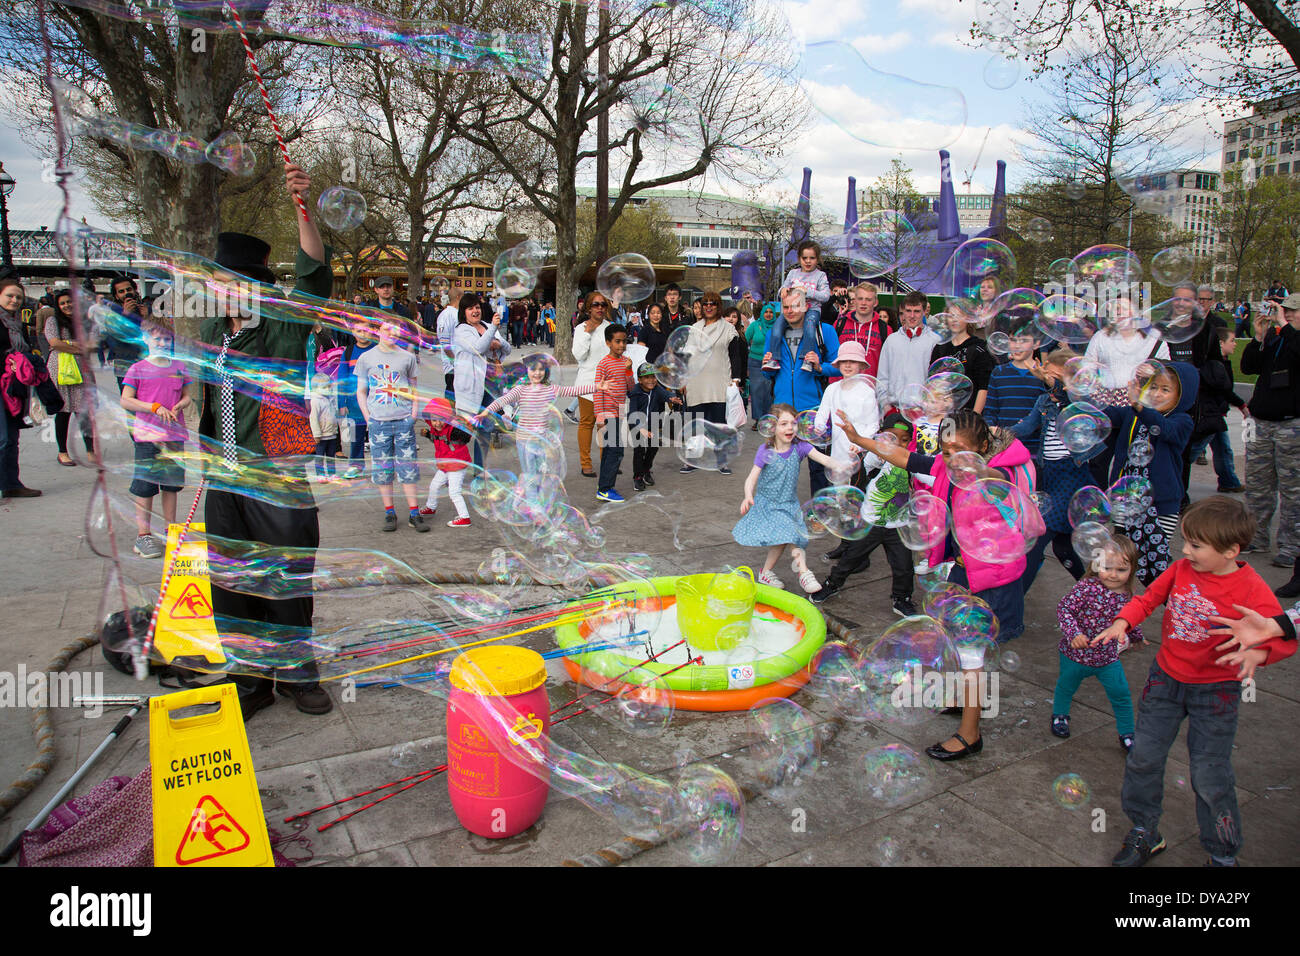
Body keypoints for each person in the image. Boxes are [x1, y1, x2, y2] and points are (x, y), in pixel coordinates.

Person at [196, 164, 334, 719]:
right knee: (231, 582)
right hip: (224, 479)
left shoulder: (280, 322)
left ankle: (299, 675)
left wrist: (303, 208)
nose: (217, 290)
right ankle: (250, 679)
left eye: (226, 281)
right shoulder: (212, 332)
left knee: (286, 576)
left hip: (275, 474)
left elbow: (315, 273)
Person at [1096, 496, 1293, 867]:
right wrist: (1124, 621)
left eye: (1195, 545)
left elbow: (1284, 635)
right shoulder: (1183, 568)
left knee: (1209, 773)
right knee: (1143, 759)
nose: (1185, 550)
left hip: (1215, 692)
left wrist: (1259, 654)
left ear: (1231, 550)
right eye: (1185, 541)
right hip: (1165, 681)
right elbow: (1150, 598)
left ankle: (1222, 855)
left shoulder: (1251, 587)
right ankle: (1145, 830)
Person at [838, 408, 1038, 761]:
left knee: (973, 656)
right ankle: (963, 701)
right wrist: (858, 440)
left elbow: (997, 478)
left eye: (961, 450)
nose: (951, 460)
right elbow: (904, 456)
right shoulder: (946, 466)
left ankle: (970, 735)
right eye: (946, 451)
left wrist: (979, 469)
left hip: (991, 580)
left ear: (984, 446)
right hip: (965, 573)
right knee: (960, 648)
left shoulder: (999, 475)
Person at [811, 411, 916, 612]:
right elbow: (870, 464)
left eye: (904, 440)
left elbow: (929, 475)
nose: (898, 444)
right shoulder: (874, 459)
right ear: (881, 437)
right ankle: (832, 584)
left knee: (904, 567)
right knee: (850, 558)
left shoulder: (911, 462)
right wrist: (879, 450)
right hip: (871, 524)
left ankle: (901, 598)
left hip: (898, 526)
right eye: (891, 438)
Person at [1105, 361, 1199, 585]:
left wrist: (1140, 406)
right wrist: (1075, 393)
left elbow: (1165, 430)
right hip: (1127, 501)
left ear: (1183, 395)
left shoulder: (1181, 421)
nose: (1156, 393)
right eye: (1153, 387)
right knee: (1120, 562)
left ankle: (1178, 608)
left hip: (1160, 505)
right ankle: (1123, 610)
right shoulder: (1134, 414)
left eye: (1165, 389)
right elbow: (1104, 414)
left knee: (1155, 567)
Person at [734, 403, 842, 592]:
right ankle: (804, 572)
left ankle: (765, 572)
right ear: (772, 427)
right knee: (791, 534)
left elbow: (824, 459)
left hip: (789, 504)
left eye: (793, 423)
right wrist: (747, 495)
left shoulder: (800, 448)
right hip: (769, 504)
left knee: (783, 539)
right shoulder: (765, 451)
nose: (790, 428)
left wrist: (842, 464)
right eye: (783, 424)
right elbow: (752, 478)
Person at [1053, 535, 1142, 750]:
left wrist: (1137, 634)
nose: (1113, 575)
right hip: (1076, 654)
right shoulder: (1087, 587)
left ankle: (1127, 733)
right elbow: (1064, 609)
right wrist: (1074, 634)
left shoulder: (1128, 595)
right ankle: (1060, 716)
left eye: (1121, 570)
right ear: (1096, 565)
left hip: (1107, 658)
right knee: (1066, 687)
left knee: (1121, 694)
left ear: (1131, 570)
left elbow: (1130, 617)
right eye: (1107, 567)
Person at [1011, 349, 1091, 589]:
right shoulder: (1044, 400)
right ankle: (1092, 589)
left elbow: (1065, 398)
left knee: (1037, 538)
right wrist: (996, 431)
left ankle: (1014, 603)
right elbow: (1026, 427)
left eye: (1055, 377)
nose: (1049, 381)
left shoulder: (1078, 403)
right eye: (1048, 374)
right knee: (1063, 547)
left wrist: (1050, 381)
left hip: (1072, 477)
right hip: (1050, 476)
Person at [119, 320, 194, 558]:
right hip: (147, 436)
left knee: (170, 485)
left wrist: (181, 404)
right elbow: (126, 399)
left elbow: (186, 396)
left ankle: (170, 531)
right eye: (157, 339)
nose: (162, 343)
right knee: (145, 486)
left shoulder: (179, 367)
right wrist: (153, 407)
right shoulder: (138, 368)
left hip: (173, 435)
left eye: (166, 339)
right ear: (145, 339)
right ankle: (144, 536)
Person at [1240, 293, 1300, 570]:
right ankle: (1256, 536)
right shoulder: (1277, 338)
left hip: (1292, 424)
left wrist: (1285, 328)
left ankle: (1292, 545)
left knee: (1293, 489)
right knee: (1256, 485)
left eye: (1292, 312)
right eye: (1284, 311)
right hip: (1259, 423)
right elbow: (1248, 367)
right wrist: (1259, 337)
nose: (1285, 315)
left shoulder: (1292, 339)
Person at [761, 287, 840, 495]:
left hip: (814, 409)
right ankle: (780, 511)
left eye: (796, 306)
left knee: (818, 468)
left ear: (806, 306)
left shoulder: (825, 331)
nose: (790, 311)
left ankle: (821, 511)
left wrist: (821, 367)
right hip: (783, 412)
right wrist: (766, 366)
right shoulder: (774, 334)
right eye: (786, 307)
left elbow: (838, 365)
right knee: (781, 469)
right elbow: (770, 375)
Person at [357, 316, 428, 532]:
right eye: (388, 330)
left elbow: (414, 388)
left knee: (408, 468)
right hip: (379, 422)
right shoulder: (366, 358)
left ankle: (414, 512)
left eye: (396, 331)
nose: (392, 334)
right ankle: (389, 511)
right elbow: (361, 390)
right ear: (379, 331)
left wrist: (413, 414)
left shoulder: (407, 358)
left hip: (403, 420)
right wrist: (368, 417)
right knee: (383, 470)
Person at [479, 353, 601, 475]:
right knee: (530, 473)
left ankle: (537, 490)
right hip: (524, 440)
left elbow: (573, 390)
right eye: (533, 369)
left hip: (542, 440)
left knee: (543, 473)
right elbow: (502, 400)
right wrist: (486, 411)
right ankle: (531, 492)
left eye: (541, 369)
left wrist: (597, 387)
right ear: (527, 370)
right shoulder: (520, 390)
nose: (537, 373)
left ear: (546, 371)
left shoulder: (551, 389)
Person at [679, 291, 743, 476]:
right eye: (705, 303)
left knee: (719, 425)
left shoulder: (728, 329)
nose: (708, 306)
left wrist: (736, 380)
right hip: (695, 383)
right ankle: (691, 460)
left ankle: (721, 461)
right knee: (695, 424)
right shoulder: (694, 328)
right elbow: (686, 355)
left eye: (712, 303)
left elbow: (735, 356)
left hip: (719, 384)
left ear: (718, 306)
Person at [1, 276, 51, 499]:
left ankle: (11, 483)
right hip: (2, 383)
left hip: (14, 387)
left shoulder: (17, 324)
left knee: (12, 438)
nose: (14, 300)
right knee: (3, 438)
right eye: (10, 296)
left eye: (18, 297)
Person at [452, 292, 511, 468]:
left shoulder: (486, 325)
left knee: (484, 429)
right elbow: (478, 347)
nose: (475, 311)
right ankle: (453, 466)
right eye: (470, 308)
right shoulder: (461, 330)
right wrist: (492, 331)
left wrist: (498, 343)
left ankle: (480, 469)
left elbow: (506, 348)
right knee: (464, 429)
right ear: (464, 312)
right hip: (470, 387)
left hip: (491, 385)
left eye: (477, 307)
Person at [1187, 326, 1246, 493]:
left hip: (1217, 414)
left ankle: (1229, 481)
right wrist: (1242, 405)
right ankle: (1176, 471)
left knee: (1223, 448)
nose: (1235, 344)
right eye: (1232, 341)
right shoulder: (1215, 365)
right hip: (1211, 416)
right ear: (1221, 343)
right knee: (1193, 451)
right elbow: (1225, 390)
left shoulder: (1221, 363)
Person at [43, 288, 96, 467]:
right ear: (58, 306)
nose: (67, 305)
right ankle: (62, 452)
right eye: (62, 303)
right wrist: (77, 347)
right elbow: (54, 342)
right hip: (60, 369)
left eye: (69, 301)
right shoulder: (53, 321)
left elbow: (93, 343)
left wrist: (67, 345)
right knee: (63, 411)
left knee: (85, 412)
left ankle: (90, 451)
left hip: (82, 370)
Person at [876, 291, 940, 413]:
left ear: (924, 312)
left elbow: (937, 381)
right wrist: (886, 406)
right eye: (908, 311)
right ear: (903, 312)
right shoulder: (892, 340)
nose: (912, 316)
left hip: (923, 411)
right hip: (894, 410)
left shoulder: (934, 341)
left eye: (916, 311)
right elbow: (882, 377)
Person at [572, 291, 612, 478]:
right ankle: (585, 463)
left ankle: (607, 461)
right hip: (587, 384)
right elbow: (579, 355)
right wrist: (588, 333)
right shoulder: (581, 328)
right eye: (596, 304)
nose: (600, 308)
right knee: (587, 422)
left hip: (608, 384)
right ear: (588, 308)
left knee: (605, 424)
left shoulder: (611, 327)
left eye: (603, 304)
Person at [628, 362, 683, 491]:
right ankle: (637, 477)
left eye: (653, 377)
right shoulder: (636, 392)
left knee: (653, 448)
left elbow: (666, 394)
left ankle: (646, 470)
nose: (651, 380)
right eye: (647, 377)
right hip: (638, 426)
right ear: (640, 380)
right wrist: (640, 428)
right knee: (639, 451)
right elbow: (632, 412)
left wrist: (672, 398)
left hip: (653, 424)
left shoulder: (657, 389)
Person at [594, 324, 634, 503]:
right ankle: (605, 488)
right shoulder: (603, 364)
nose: (621, 345)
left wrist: (629, 371)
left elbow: (631, 389)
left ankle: (604, 487)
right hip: (608, 413)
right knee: (616, 451)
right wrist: (600, 417)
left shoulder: (625, 361)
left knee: (611, 451)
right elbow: (598, 392)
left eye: (624, 341)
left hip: (619, 413)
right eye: (617, 341)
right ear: (608, 342)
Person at [419, 396, 472, 527]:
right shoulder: (434, 428)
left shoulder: (453, 429)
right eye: (434, 420)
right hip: (445, 465)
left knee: (454, 492)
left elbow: (463, 436)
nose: (437, 423)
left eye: (440, 419)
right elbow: (436, 438)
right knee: (434, 486)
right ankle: (431, 507)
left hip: (457, 465)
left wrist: (461, 430)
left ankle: (465, 518)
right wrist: (427, 434)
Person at [929, 308, 993, 412]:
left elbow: (984, 387)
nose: (954, 320)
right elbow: (933, 382)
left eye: (959, 316)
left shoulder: (978, 347)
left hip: (968, 412)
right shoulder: (940, 348)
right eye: (951, 316)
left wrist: (975, 416)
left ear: (968, 320)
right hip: (943, 412)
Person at [982, 328, 1046, 429]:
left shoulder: (1044, 373)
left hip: (1036, 442)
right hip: (1005, 440)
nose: (1017, 346)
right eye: (1013, 340)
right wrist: (992, 430)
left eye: (1024, 341)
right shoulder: (998, 372)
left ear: (1036, 344)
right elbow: (990, 410)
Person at [337, 318, 376, 479]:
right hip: (353, 402)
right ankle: (355, 464)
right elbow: (342, 378)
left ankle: (381, 465)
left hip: (375, 400)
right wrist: (341, 402)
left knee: (378, 435)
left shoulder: (377, 350)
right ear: (353, 332)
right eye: (359, 331)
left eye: (365, 330)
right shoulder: (348, 352)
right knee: (355, 436)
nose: (362, 334)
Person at [832, 283, 890, 380]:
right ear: (855, 301)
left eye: (868, 299)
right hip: (841, 387)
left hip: (870, 388)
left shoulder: (885, 329)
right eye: (860, 299)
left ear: (875, 302)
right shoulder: (839, 324)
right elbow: (831, 357)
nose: (863, 303)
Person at [780, 240, 830, 327]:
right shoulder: (792, 273)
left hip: (812, 310)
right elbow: (782, 289)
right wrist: (783, 290)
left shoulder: (821, 275)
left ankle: (810, 341)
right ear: (799, 258)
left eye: (812, 258)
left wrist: (807, 292)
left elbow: (826, 296)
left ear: (817, 259)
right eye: (804, 258)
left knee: (809, 329)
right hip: (792, 310)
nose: (808, 261)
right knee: (776, 329)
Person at [744, 301, 776, 425]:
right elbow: (744, 341)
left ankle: (767, 418)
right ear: (762, 313)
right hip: (755, 362)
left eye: (771, 312)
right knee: (756, 391)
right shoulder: (755, 326)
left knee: (769, 391)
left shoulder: (777, 327)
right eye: (766, 312)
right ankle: (758, 419)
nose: (768, 314)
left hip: (770, 363)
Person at [308, 372, 340, 482]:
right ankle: (320, 474)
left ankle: (332, 473)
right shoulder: (316, 401)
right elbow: (313, 419)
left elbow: (333, 416)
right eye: (324, 387)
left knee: (331, 456)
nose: (328, 389)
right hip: (321, 436)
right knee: (320, 456)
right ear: (316, 388)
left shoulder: (329, 399)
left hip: (331, 434)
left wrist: (335, 430)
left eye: (328, 386)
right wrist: (316, 434)